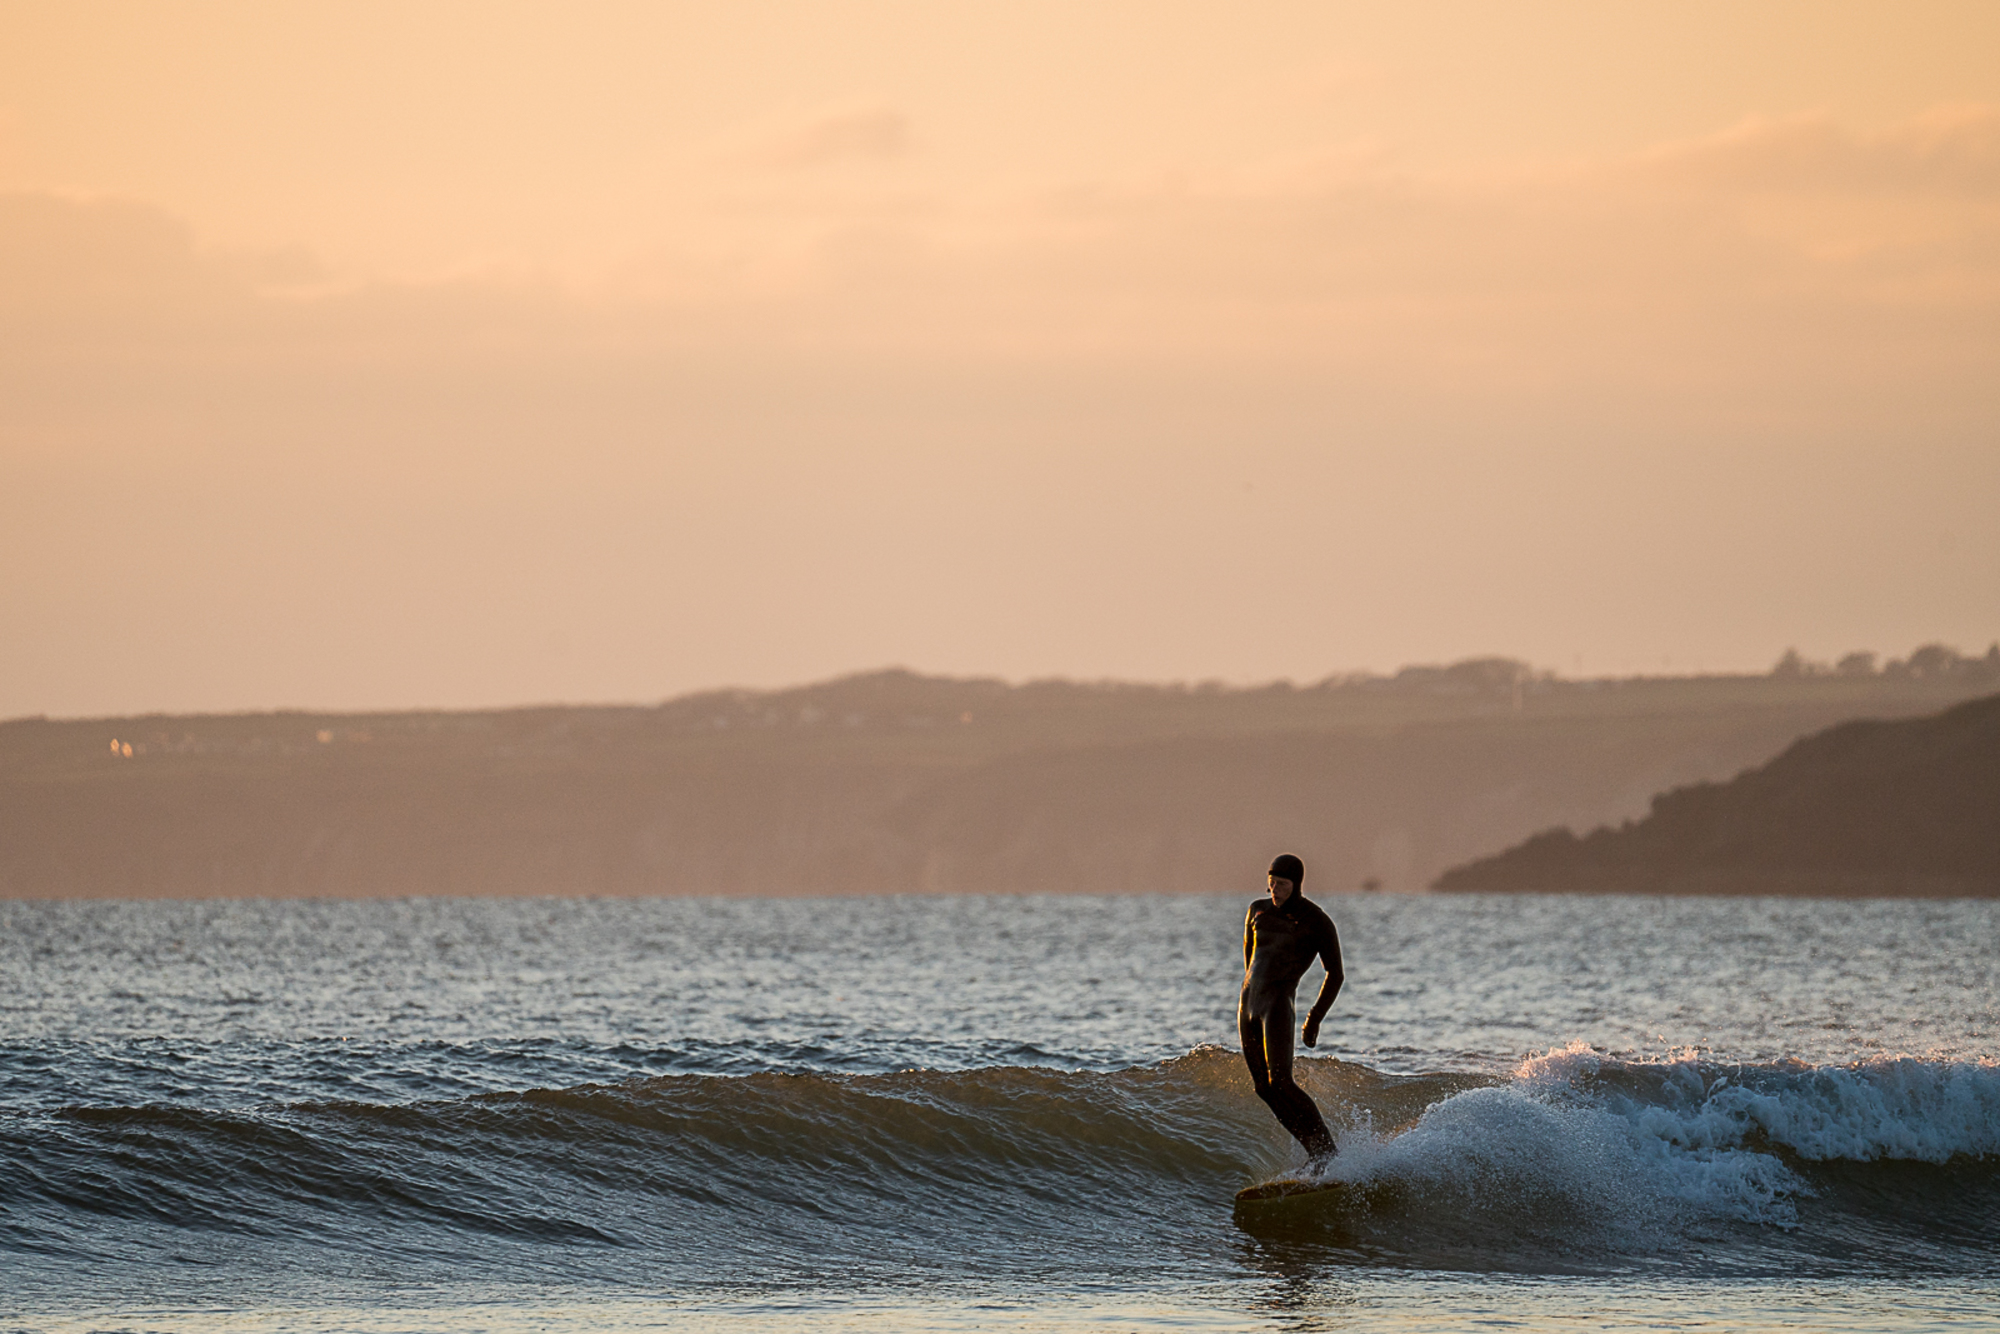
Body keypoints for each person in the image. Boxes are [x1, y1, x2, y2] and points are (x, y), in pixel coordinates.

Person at [1239, 852, 1342, 1162]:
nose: (1275, 891)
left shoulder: (1316, 921)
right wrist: (1252, 994)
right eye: (1271, 884)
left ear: (1296, 885)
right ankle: (1315, 1154)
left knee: (1282, 1082)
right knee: (1264, 1088)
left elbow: (1335, 974)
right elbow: (1250, 961)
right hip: (1248, 1006)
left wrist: (1314, 1019)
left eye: (1282, 885)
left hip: (1278, 1007)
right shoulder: (1256, 911)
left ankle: (1329, 1154)